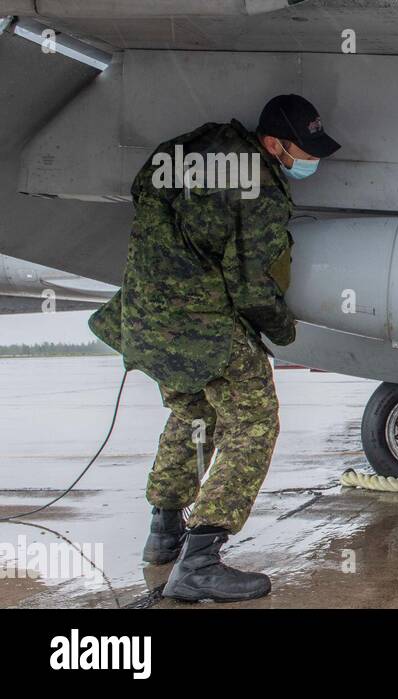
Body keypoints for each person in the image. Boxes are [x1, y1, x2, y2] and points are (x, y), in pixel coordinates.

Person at [89, 94, 341, 602]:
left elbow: (145, 191)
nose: (309, 160)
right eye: (303, 150)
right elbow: (249, 284)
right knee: (254, 420)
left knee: (193, 413)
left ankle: (164, 536)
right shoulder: (263, 190)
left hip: (145, 313)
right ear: (274, 143)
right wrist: (284, 331)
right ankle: (200, 560)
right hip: (199, 322)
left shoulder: (190, 150)